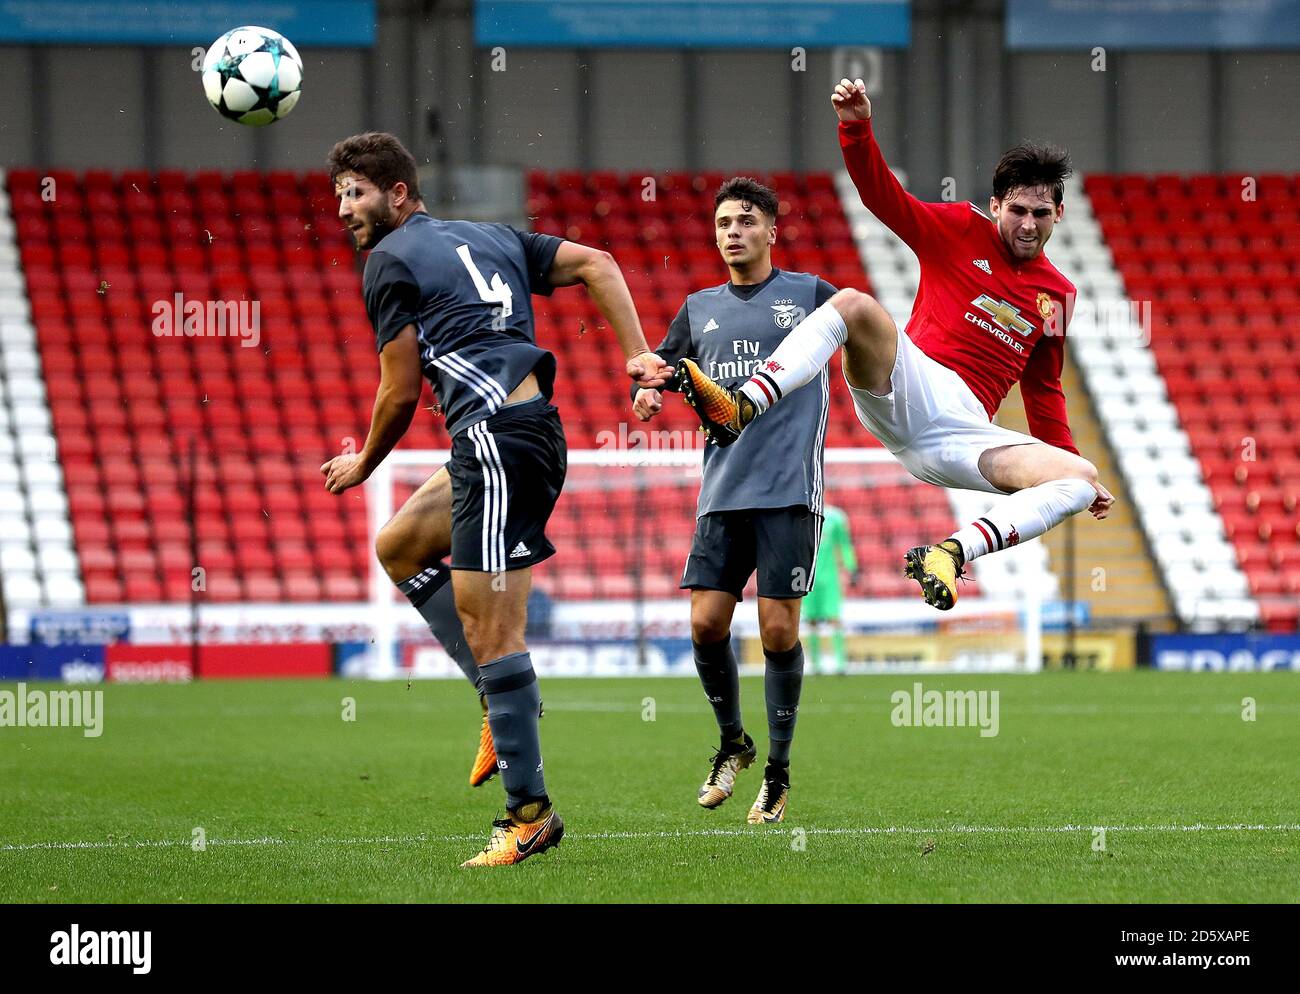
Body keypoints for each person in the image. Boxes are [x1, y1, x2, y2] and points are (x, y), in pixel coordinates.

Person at [320, 132, 668, 865]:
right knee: (400, 546)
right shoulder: (491, 236)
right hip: (521, 435)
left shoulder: (388, 260)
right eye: (339, 196)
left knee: (496, 636)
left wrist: (363, 462)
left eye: (356, 193)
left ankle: (528, 814)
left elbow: (400, 388)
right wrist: (639, 356)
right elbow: (598, 263)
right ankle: (495, 697)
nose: (344, 208)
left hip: (495, 442)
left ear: (400, 195)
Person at [678, 79, 1114, 612]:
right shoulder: (959, 228)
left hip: (959, 435)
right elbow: (884, 198)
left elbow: (1044, 393)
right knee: (854, 304)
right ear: (996, 204)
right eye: (1017, 210)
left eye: (1040, 214)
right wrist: (856, 127)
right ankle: (743, 404)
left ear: (1059, 215)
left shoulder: (1058, 295)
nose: (1027, 224)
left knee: (1081, 480)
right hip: (910, 383)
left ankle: (950, 555)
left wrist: (1065, 460)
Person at [635, 177, 837, 824]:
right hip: (722, 493)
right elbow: (663, 370)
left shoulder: (810, 296)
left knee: (778, 629)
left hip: (788, 493)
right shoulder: (698, 308)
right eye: (723, 222)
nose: (733, 231)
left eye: (746, 221)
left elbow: (863, 330)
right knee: (704, 624)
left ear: (772, 230)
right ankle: (733, 743)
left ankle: (777, 772)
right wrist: (645, 394)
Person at [804, 504, 856, 675]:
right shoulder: (801, 514)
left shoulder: (836, 517)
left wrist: (851, 568)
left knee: (834, 618)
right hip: (805, 575)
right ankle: (816, 665)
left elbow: (844, 544)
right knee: (811, 620)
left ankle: (840, 664)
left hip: (830, 577)